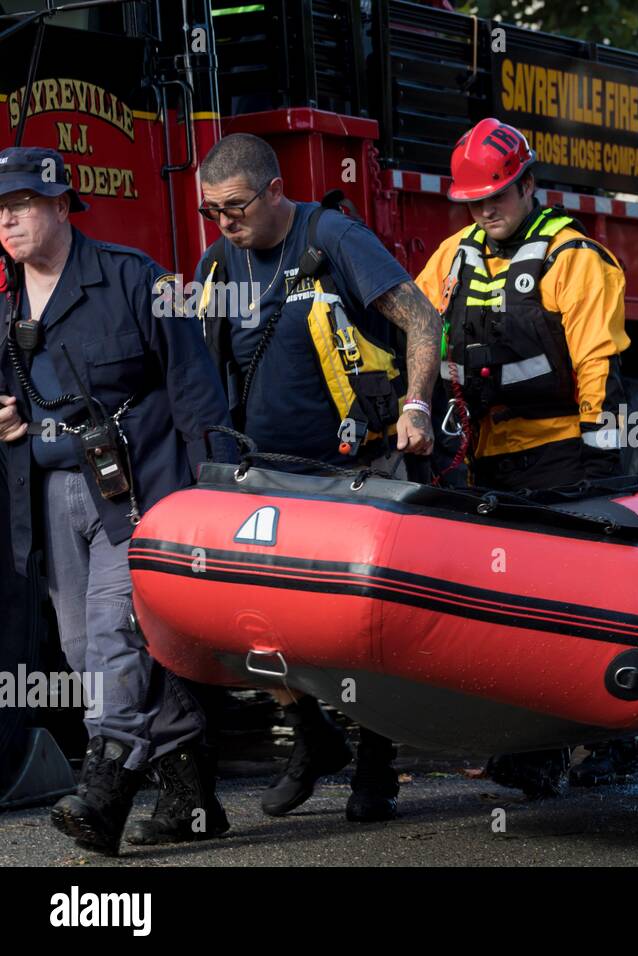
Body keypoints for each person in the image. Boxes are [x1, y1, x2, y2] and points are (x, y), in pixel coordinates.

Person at [193, 133, 438, 824]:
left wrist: (416, 406)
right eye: (212, 210)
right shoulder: (216, 263)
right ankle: (311, 735)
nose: (226, 223)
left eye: (236, 206)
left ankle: (377, 765)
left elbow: (419, 316)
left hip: (353, 470)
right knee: (252, 624)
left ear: (275, 189)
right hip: (262, 475)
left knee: (363, 629)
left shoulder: (332, 236)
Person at [0, 146, 234, 854]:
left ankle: (105, 789)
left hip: (138, 495)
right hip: (49, 498)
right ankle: (192, 792)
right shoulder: (6, 306)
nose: (7, 221)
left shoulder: (136, 281)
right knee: (81, 646)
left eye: (21, 207)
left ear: (62, 205)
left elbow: (197, 389)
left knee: (112, 636)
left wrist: (215, 492)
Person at [414, 118, 638, 797]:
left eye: (499, 196)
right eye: (475, 201)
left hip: (561, 457)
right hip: (486, 457)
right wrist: (414, 409)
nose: (487, 211)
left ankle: (613, 740)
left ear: (529, 186)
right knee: (510, 610)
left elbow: (597, 363)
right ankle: (535, 748)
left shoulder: (577, 261)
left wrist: (597, 468)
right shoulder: (452, 256)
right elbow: (421, 332)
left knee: (583, 602)